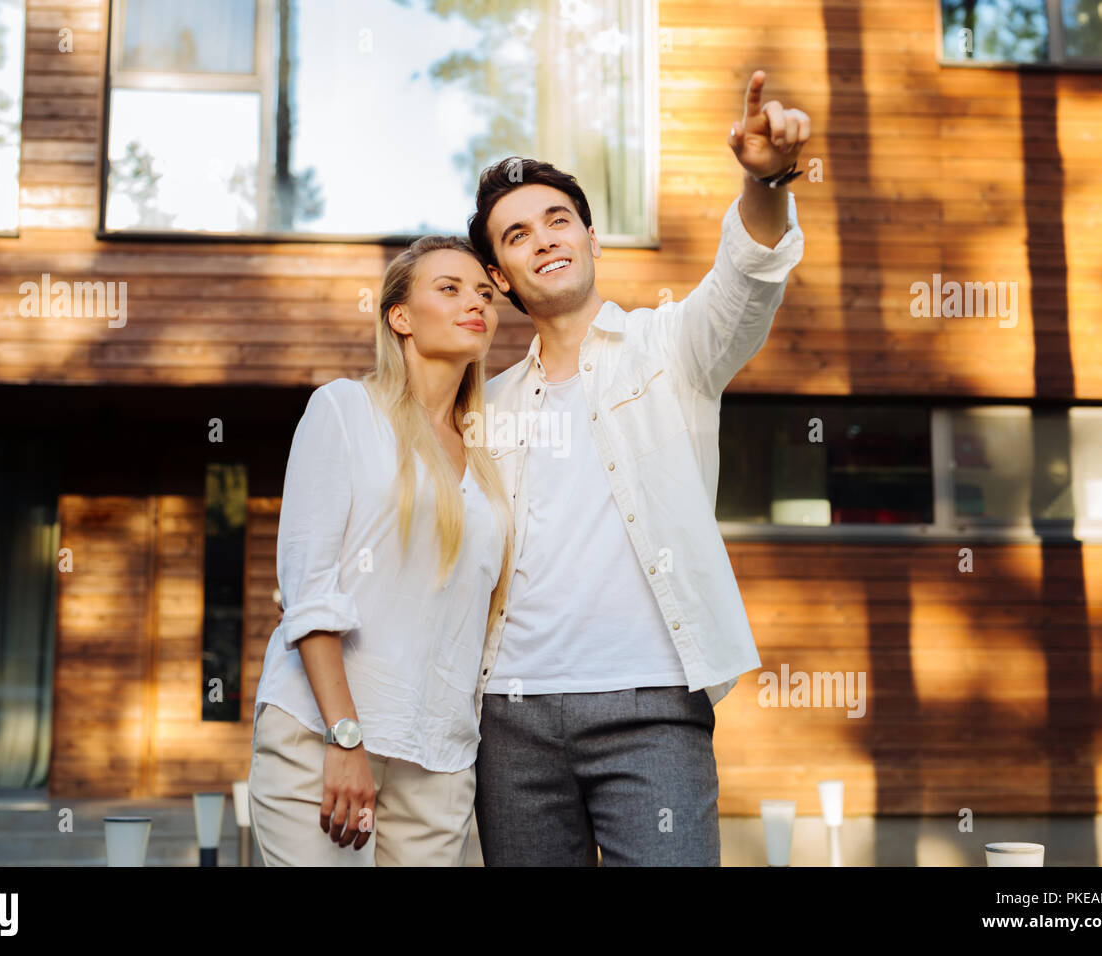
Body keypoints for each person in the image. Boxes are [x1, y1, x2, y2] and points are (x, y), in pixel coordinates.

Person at [463, 71, 810, 865]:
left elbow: (746, 281)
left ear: (590, 239)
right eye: (517, 235)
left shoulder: (673, 347)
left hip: (653, 706)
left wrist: (765, 179)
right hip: (509, 719)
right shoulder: (483, 408)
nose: (545, 238)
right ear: (500, 278)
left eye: (558, 220)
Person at [249, 235, 514, 866]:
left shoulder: (490, 455)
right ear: (399, 317)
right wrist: (346, 738)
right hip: (324, 738)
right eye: (448, 289)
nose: (474, 302)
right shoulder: (345, 410)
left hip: (440, 759)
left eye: (483, 292)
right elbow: (309, 591)